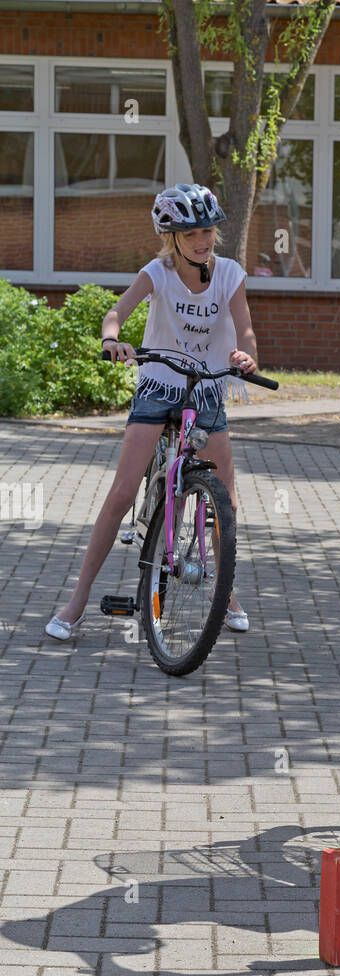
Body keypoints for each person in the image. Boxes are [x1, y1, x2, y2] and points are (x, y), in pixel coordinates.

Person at [45, 182, 260, 641]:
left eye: (207, 231)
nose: (203, 241)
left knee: (227, 498)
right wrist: (112, 340)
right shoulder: (157, 273)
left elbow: (245, 329)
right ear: (171, 238)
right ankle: (77, 600)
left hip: (205, 389)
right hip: (160, 384)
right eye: (191, 234)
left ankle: (226, 592)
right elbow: (114, 314)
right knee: (123, 490)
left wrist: (244, 355)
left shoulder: (229, 274)